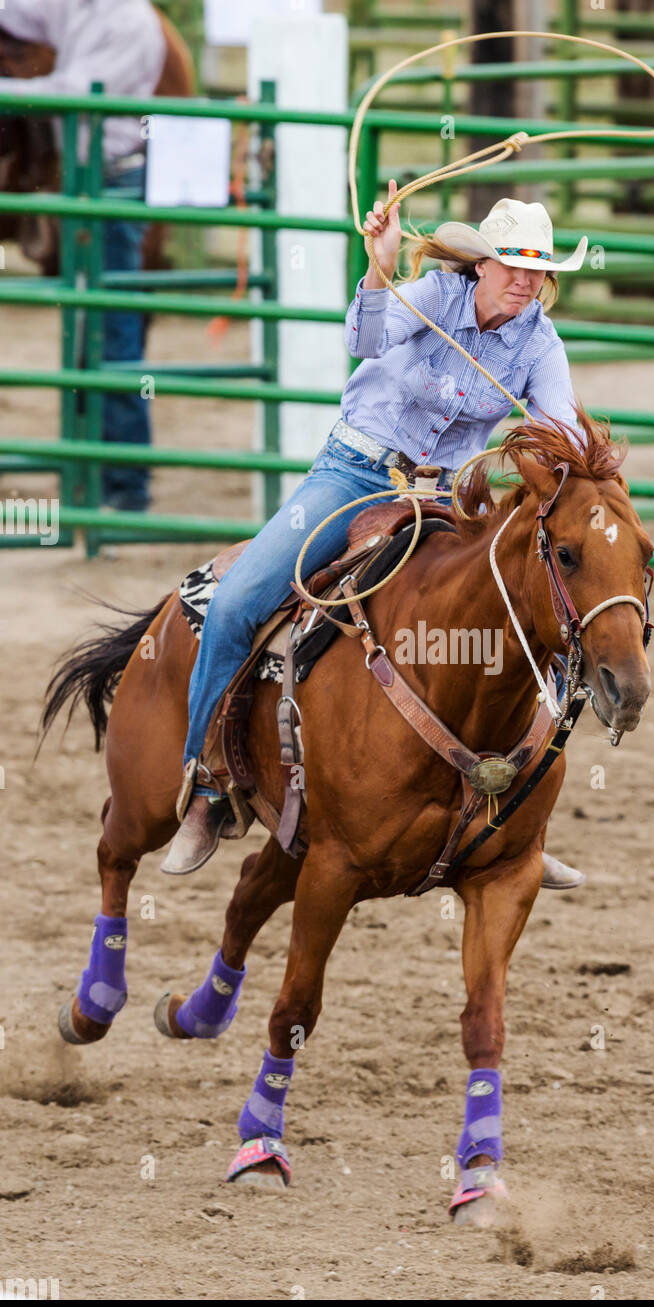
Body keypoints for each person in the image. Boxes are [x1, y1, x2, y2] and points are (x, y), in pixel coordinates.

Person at [163, 184, 590, 888]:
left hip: (449, 495)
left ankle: (515, 821)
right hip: (355, 472)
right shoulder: (434, 297)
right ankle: (206, 783)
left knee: (528, 611)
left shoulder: (539, 341)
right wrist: (378, 270)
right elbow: (362, 340)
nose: (524, 280)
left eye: (537, 269)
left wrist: (570, 465)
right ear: (480, 264)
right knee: (239, 603)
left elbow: (562, 424)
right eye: (511, 264)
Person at [0, 0, 166, 511]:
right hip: (88, 182)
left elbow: (79, 92)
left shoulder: (130, 23)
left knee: (112, 331)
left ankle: (127, 486)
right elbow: (20, 13)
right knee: (89, 328)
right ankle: (102, 475)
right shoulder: (81, 5)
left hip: (114, 180)